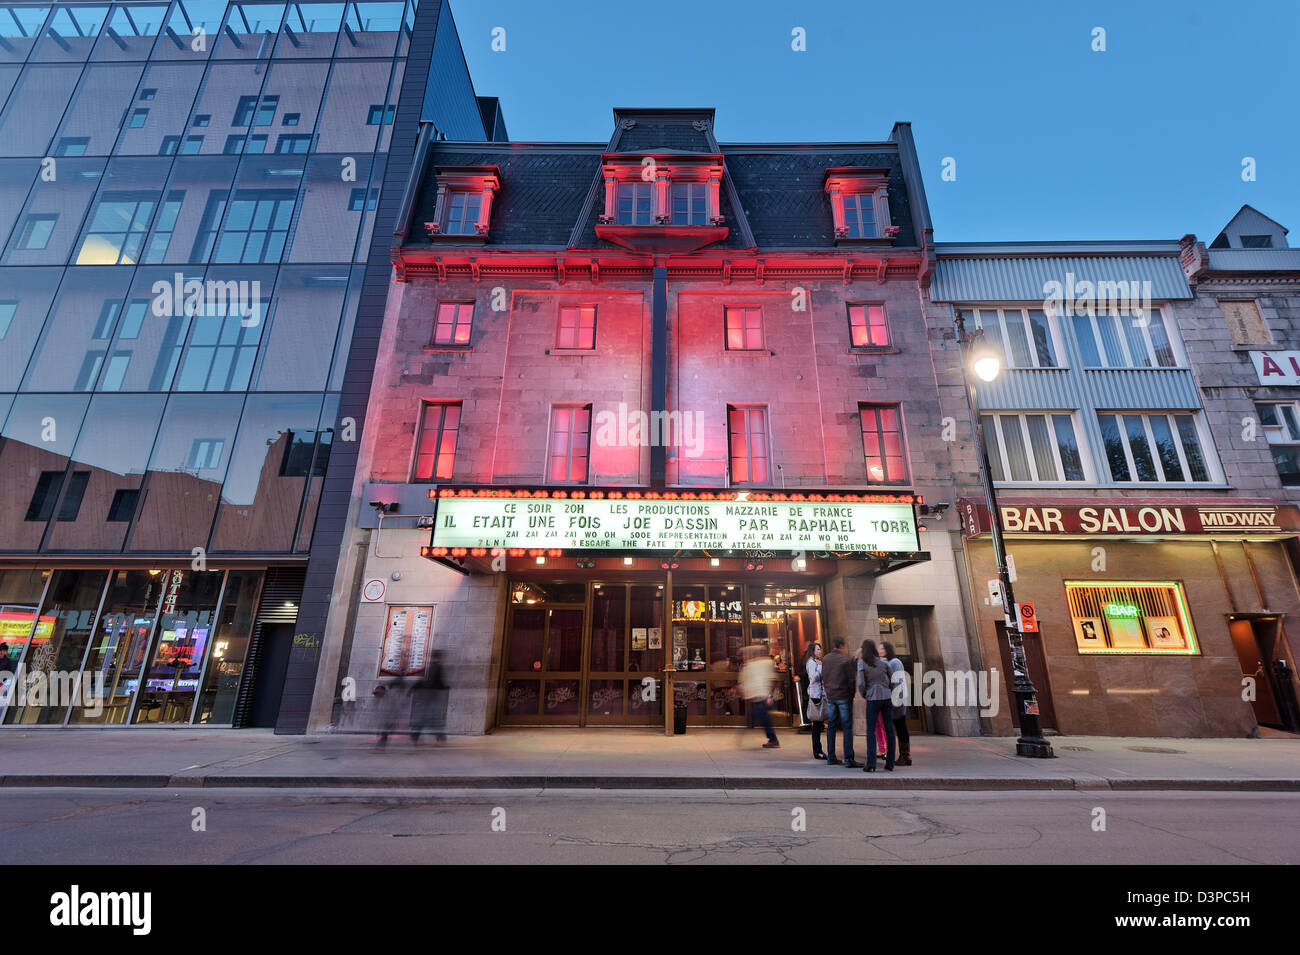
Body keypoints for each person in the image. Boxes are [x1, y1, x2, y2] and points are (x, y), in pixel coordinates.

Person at [857, 639, 895, 772]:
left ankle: (871, 763)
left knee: (871, 731)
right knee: (889, 730)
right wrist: (888, 689)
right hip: (886, 697)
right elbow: (892, 679)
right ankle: (890, 763)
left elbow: (861, 683)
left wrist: (864, 694)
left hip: (872, 698)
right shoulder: (883, 662)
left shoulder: (862, 663)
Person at [821, 636, 859, 767]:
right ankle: (849, 759)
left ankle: (831, 756)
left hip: (831, 696)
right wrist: (852, 694)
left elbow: (823, 676)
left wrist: (827, 691)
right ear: (842, 646)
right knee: (847, 727)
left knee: (831, 726)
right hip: (843, 696)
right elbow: (852, 680)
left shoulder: (825, 659)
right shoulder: (845, 659)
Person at [741, 643, 780, 748]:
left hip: (763, 696)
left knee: (764, 717)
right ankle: (772, 738)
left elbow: (772, 680)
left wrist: (770, 696)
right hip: (758, 696)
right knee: (763, 716)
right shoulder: (753, 664)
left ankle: (773, 739)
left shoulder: (766, 663)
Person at [881, 641, 911, 766]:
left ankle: (905, 756)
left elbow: (898, 681)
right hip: (894, 700)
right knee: (899, 727)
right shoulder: (889, 663)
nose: (879, 650)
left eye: (881, 648)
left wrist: (896, 699)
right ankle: (904, 756)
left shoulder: (894, 662)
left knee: (901, 727)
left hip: (897, 701)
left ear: (887, 650)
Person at [410, 650, 449, 743]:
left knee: (426, 716)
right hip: (432, 695)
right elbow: (435, 682)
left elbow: (426, 681)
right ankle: (439, 735)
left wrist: (415, 688)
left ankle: (416, 736)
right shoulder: (436, 667)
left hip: (429, 695)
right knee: (431, 716)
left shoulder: (433, 667)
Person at [801, 641, 826, 759]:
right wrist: (820, 668)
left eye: (820, 649)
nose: (820, 651)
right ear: (812, 651)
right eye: (817, 649)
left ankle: (818, 750)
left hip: (820, 694)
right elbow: (813, 678)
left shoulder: (818, 662)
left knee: (819, 724)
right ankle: (817, 751)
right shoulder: (811, 663)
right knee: (816, 724)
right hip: (815, 695)